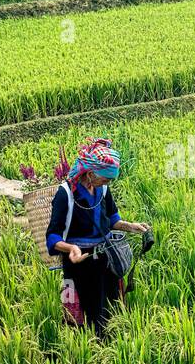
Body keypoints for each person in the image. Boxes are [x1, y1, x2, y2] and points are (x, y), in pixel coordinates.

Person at [46, 137, 148, 334]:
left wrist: (131, 226)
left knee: (111, 307)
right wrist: (71, 249)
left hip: (104, 259)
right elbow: (52, 236)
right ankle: (87, 350)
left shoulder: (103, 189)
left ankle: (113, 347)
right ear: (91, 173)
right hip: (79, 263)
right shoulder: (66, 194)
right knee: (87, 313)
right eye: (106, 178)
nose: (108, 182)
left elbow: (112, 220)